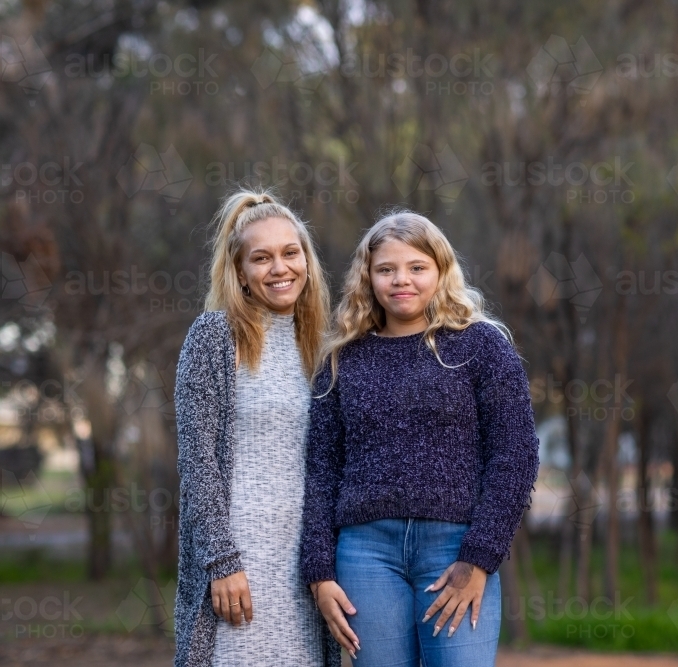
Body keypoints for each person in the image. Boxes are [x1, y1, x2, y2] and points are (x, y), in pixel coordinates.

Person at [299, 210, 540, 666]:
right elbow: (320, 469)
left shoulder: (482, 346)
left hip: (455, 550)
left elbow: (515, 456)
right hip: (365, 555)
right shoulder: (342, 360)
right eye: (385, 269)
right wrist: (319, 572)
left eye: (416, 267)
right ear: (367, 277)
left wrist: (480, 558)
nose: (400, 280)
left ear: (441, 271)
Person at [173, 190, 342, 667]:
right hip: (238, 563)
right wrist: (222, 562)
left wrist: (327, 560)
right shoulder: (213, 337)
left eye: (291, 253)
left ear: (307, 261)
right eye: (261, 258)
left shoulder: (326, 346)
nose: (280, 268)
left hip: (309, 565)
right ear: (240, 271)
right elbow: (197, 459)